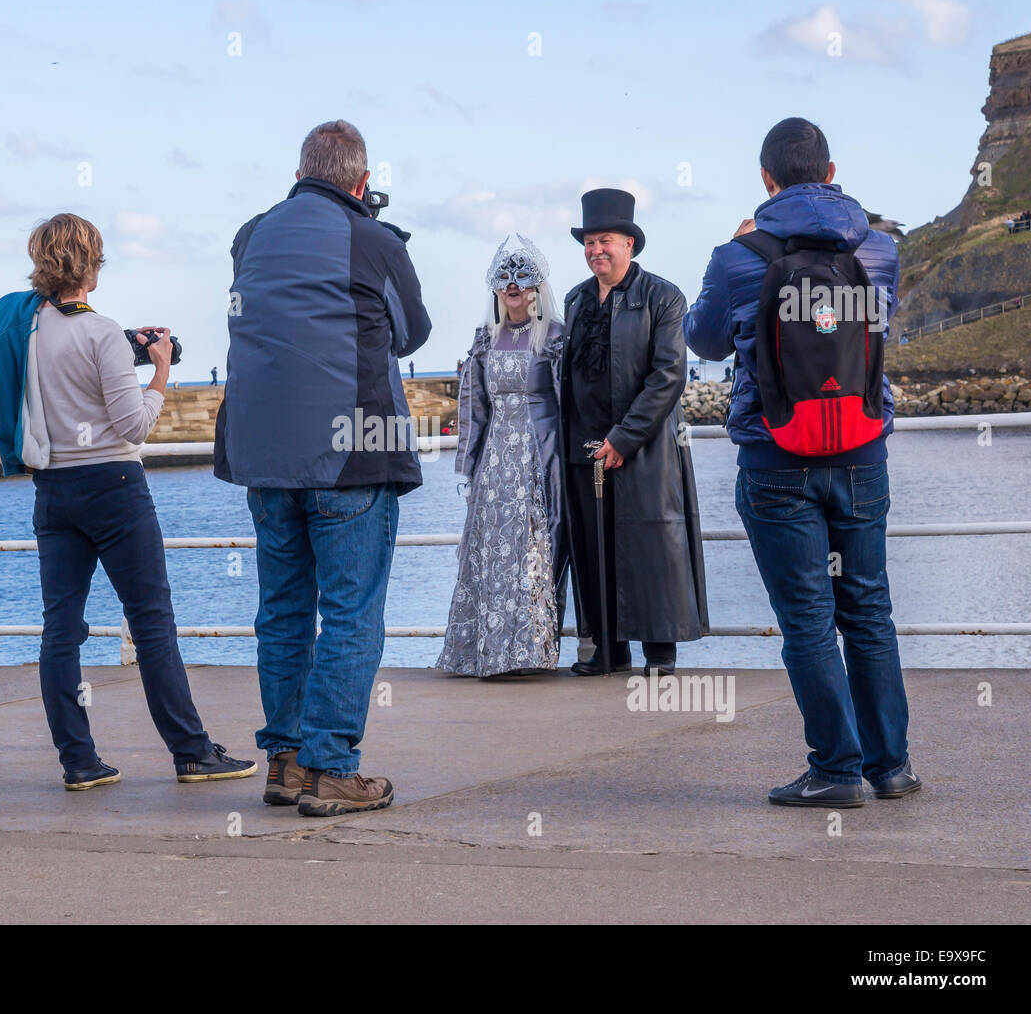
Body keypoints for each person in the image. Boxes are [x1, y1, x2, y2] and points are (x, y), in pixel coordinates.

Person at [685, 117, 917, 808]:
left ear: (766, 179)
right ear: (831, 169)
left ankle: (836, 770)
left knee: (809, 620)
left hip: (775, 456)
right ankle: (891, 766)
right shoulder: (879, 250)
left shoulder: (738, 257)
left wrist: (732, 258)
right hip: (861, 451)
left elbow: (704, 342)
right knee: (869, 609)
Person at [0, 213, 254, 790]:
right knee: (152, 623)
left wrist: (123, 344)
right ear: (93, 266)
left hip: (53, 490)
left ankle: (78, 761)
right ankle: (191, 752)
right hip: (114, 487)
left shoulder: (26, 326)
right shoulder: (100, 330)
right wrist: (158, 371)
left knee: (61, 628)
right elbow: (132, 426)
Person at [216, 119, 430, 816]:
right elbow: (414, 331)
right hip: (352, 452)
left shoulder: (252, 235)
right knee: (350, 612)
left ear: (302, 169)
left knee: (281, 610)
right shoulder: (372, 239)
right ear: (361, 183)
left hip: (263, 455)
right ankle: (330, 767)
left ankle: (284, 761)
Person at [560, 188, 708, 677]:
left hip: (643, 449)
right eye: (589, 242)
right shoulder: (576, 299)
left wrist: (623, 439)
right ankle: (607, 649)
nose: (596, 250)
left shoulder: (664, 297)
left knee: (651, 546)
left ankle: (659, 655)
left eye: (605, 240)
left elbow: (668, 376)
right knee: (594, 546)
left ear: (629, 243)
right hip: (585, 445)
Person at [437, 234, 565, 677]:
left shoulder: (553, 336)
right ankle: (488, 651)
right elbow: (474, 405)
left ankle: (531, 651)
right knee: (493, 549)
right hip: (496, 460)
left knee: (534, 547)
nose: (513, 286)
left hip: (540, 456)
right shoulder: (485, 339)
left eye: (523, 278)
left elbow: (571, 400)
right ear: (495, 289)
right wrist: (470, 464)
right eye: (505, 280)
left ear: (536, 288)